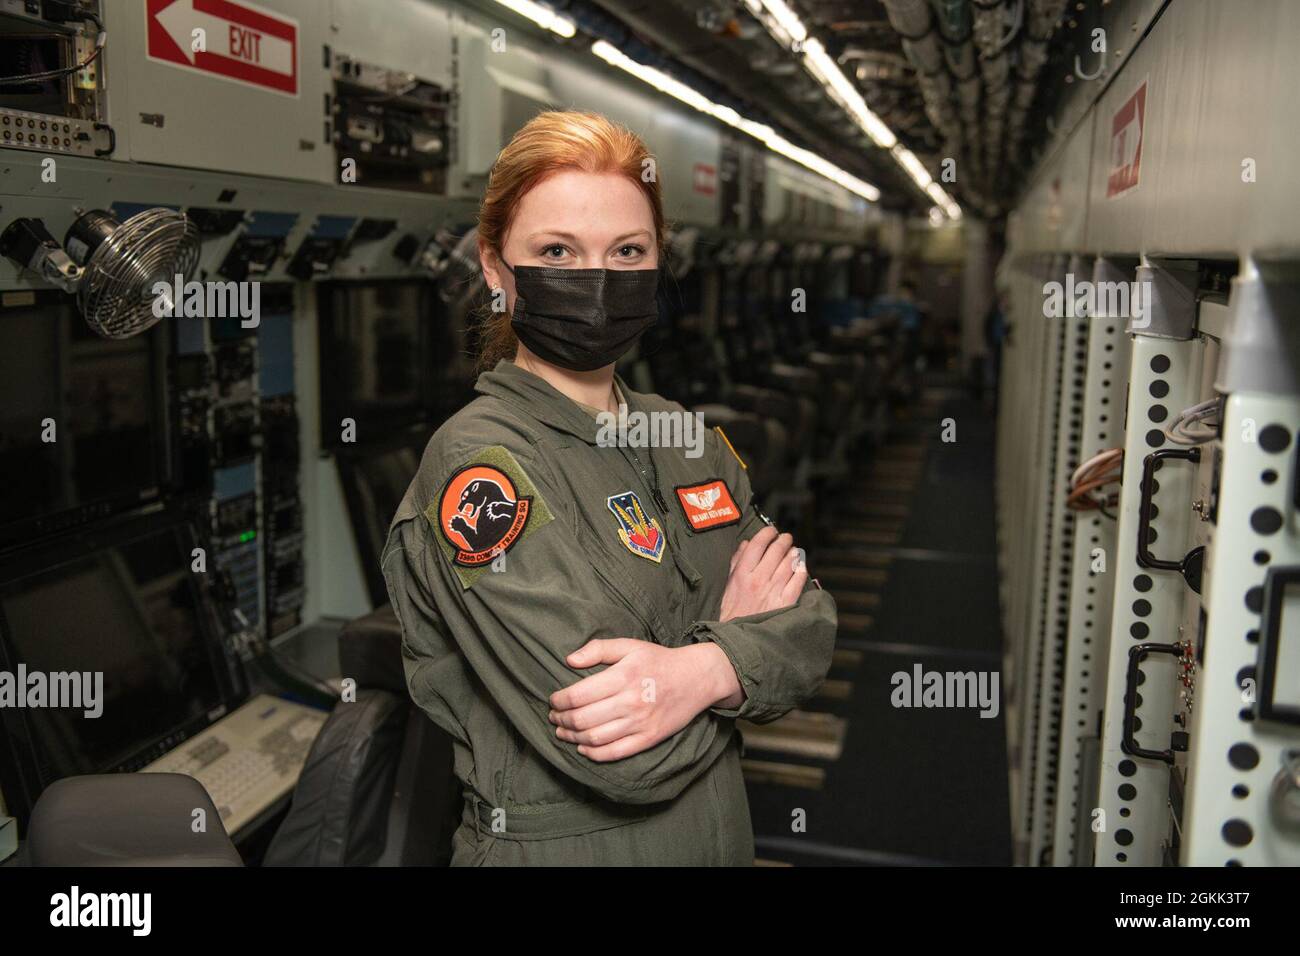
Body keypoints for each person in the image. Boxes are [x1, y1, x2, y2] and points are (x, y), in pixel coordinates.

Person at [381, 110, 837, 866]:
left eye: (627, 250)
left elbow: (812, 623)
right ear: (495, 269)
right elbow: (623, 759)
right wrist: (746, 662)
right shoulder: (479, 466)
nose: (596, 279)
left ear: (659, 263)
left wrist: (699, 673)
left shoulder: (682, 436)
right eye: (557, 250)